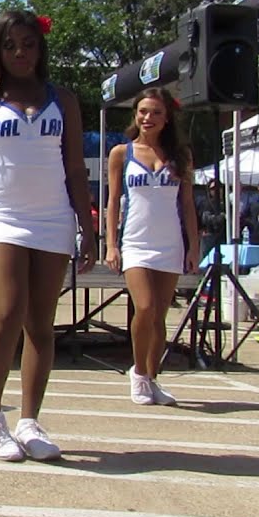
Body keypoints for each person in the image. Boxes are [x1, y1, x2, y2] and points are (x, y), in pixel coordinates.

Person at [0, 10, 96, 463]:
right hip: (2, 216)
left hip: (54, 218)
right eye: (11, 45)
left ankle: (30, 421)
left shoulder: (63, 100)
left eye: (29, 44)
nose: (20, 53)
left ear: (41, 49)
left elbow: (75, 168)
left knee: (41, 323)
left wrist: (88, 226)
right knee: (6, 312)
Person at [104, 88, 199, 405]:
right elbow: (113, 201)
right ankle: (138, 373)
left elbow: (188, 204)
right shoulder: (121, 153)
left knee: (159, 315)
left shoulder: (181, 155)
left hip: (170, 243)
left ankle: (152, 377)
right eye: (143, 111)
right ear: (135, 114)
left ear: (167, 117)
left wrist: (193, 247)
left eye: (157, 112)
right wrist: (111, 245)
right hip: (135, 242)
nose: (149, 118)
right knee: (144, 307)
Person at [197, 180, 227, 259]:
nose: (216, 190)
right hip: (210, 238)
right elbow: (205, 219)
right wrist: (221, 217)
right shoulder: (205, 203)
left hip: (224, 239)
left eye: (219, 187)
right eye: (213, 188)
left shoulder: (227, 204)